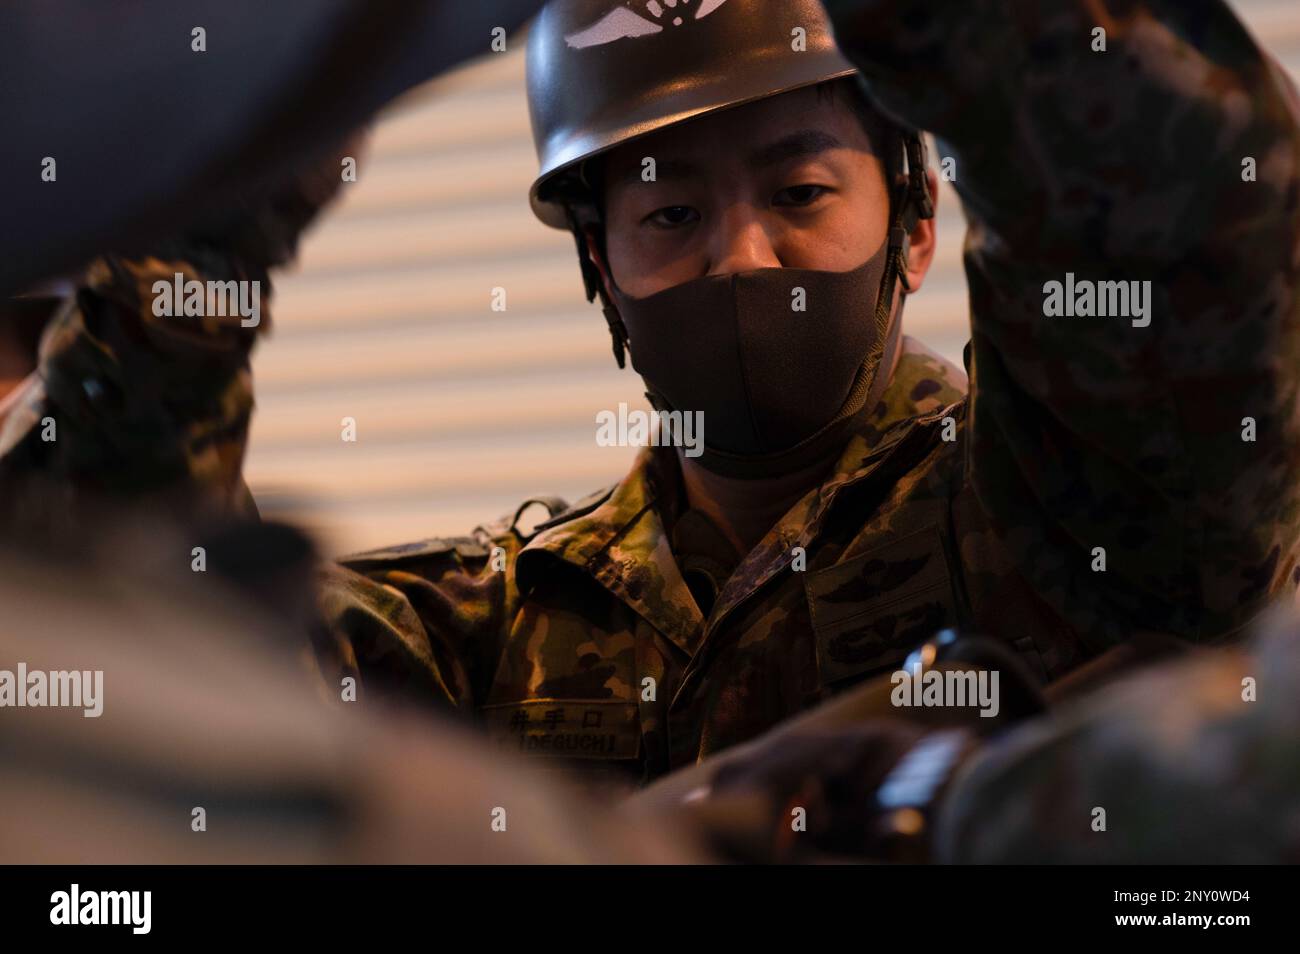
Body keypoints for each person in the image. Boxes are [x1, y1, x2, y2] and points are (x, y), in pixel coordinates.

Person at [5, 0, 1299, 793]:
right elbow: (119, 656)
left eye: (800, 193)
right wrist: (198, 266)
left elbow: (1193, 240)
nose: (739, 256)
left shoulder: (1068, 525)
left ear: (914, 229)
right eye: (671, 211)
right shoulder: (487, 628)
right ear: (601, 275)